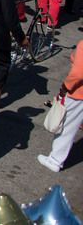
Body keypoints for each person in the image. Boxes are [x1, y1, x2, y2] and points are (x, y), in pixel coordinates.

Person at [37, 37, 83, 172]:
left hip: (78, 93)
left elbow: (78, 73)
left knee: (67, 127)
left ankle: (55, 160)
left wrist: (65, 87)